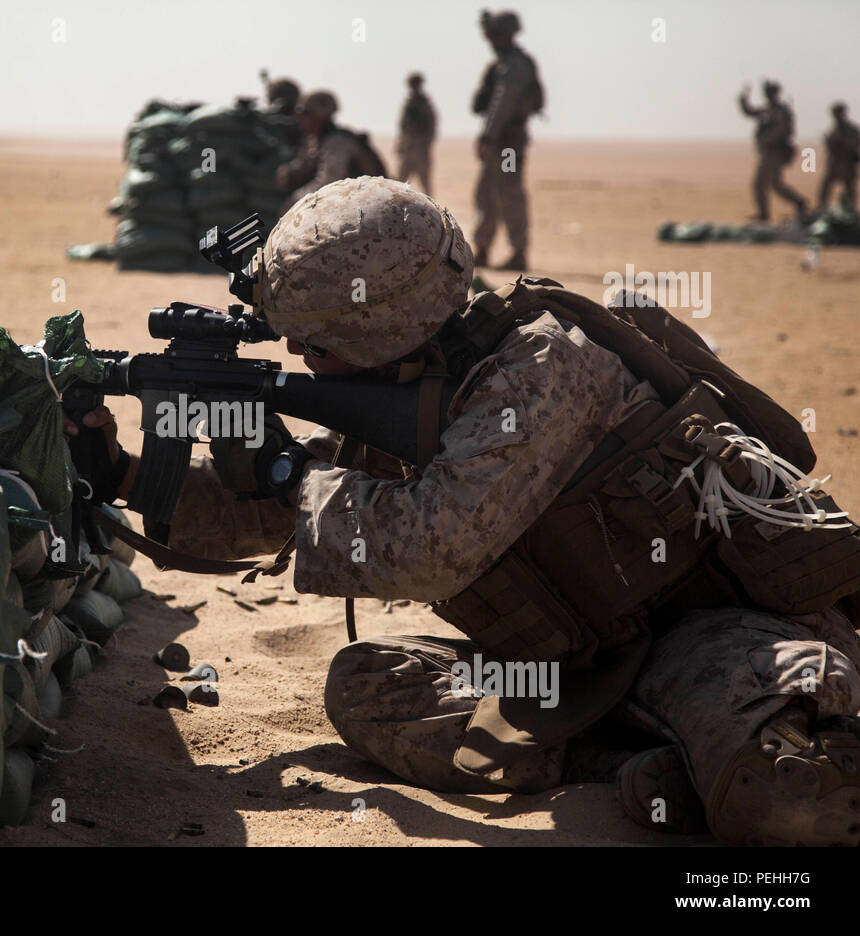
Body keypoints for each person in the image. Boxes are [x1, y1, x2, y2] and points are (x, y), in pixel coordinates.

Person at [72, 177, 860, 846]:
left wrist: (283, 473)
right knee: (369, 687)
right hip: (580, 668)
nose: (302, 360)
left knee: (792, 790)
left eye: (315, 343)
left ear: (381, 326)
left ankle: (696, 748)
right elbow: (298, 511)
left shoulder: (541, 369)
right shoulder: (414, 381)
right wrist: (124, 471)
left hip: (712, 634)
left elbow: (429, 543)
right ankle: (634, 760)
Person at [471, 9, 542, 270]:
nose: (491, 40)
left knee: (509, 193)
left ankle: (518, 252)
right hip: (499, 143)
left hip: (508, 143)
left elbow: (502, 103)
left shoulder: (515, 65)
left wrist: (488, 136)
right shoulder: (505, 63)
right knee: (486, 193)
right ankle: (483, 249)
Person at [275, 90, 386, 210]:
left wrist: (297, 199)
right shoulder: (315, 140)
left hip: (362, 203)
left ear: (319, 116)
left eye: (305, 113)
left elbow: (329, 183)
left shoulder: (337, 142)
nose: (299, 118)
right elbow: (306, 163)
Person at [739, 80, 808, 220]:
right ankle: (799, 203)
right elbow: (750, 112)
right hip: (768, 152)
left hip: (775, 152)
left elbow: (782, 130)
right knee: (775, 184)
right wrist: (743, 99)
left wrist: (767, 139)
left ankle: (764, 214)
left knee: (760, 184)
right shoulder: (768, 109)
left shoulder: (780, 110)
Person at [396, 72, 437, 194]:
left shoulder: (424, 104)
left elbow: (431, 127)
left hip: (420, 149)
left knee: (425, 183)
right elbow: (403, 127)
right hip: (408, 148)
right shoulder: (409, 103)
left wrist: (424, 144)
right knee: (400, 184)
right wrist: (401, 144)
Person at [818, 102, 860, 213]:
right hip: (835, 164)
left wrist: (841, 142)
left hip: (847, 165)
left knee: (850, 191)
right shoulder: (835, 128)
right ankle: (821, 211)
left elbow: (854, 144)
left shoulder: (850, 128)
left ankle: (851, 214)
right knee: (825, 190)